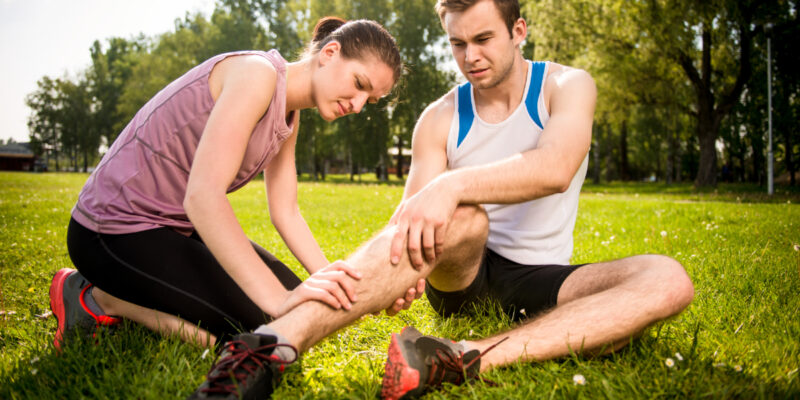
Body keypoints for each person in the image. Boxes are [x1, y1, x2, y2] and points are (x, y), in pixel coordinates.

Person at [185, 1, 693, 398]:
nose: (470, 56)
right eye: (458, 43)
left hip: (544, 277)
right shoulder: (441, 116)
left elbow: (556, 169)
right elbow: (405, 225)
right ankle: (269, 346)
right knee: (466, 217)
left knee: (667, 279)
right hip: (462, 275)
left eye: (484, 38)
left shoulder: (567, 86)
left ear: (518, 31)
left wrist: (449, 185)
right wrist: (403, 274)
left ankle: (463, 355)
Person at [48, 15, 422, 384]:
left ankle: (128, 295)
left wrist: (338, 281)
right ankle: (93, 297)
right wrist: (277, 300)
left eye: (369, 100)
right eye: (359, 84)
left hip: (170, 230)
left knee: (298, 311)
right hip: (110, 231)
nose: (357, 105)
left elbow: (285, 211)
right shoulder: (256, 76)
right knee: (259, 333)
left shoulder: (291, 113)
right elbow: (203, 197)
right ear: (330, 52)